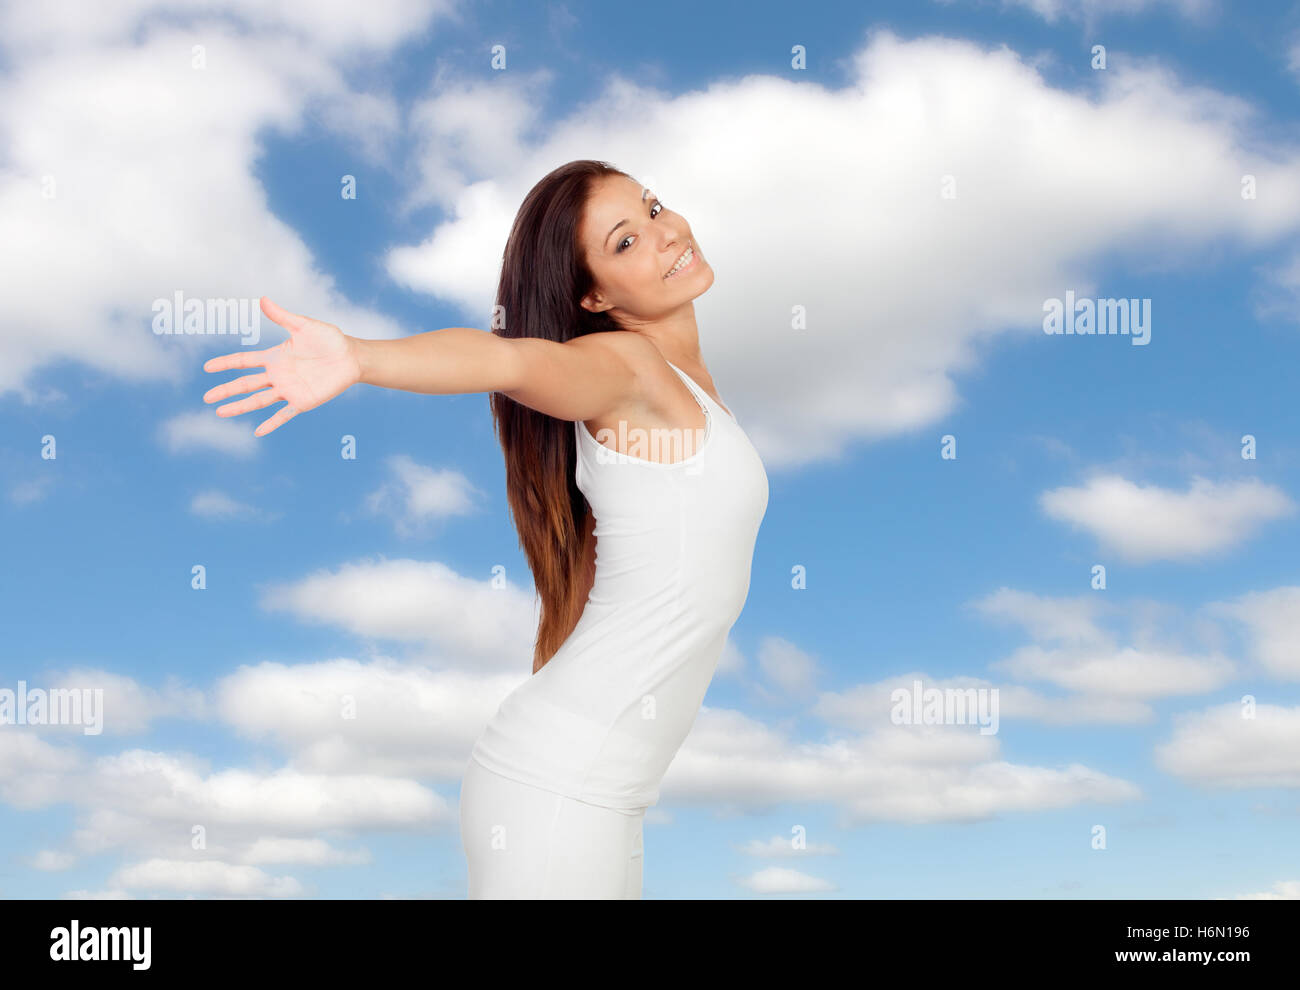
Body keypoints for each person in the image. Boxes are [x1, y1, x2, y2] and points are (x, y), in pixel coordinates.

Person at [202, 160, 769, 898]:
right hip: (561, 789)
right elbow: (508, 360)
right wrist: (362, 358)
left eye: (654, 209)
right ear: (593, 295)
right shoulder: (625, 369)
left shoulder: (690, 389)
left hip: (597, 791)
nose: (666, 236)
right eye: (627, 242)